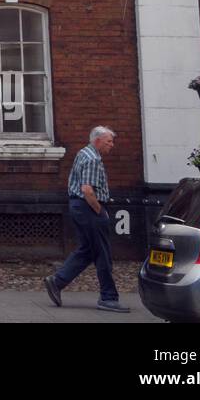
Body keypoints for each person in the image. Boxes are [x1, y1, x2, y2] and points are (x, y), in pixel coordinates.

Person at [44, 126, 129, 313]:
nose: (111, 145)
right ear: (98, 141)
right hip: (88, 208)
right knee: (103, 253)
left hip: (79, 207)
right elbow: (87, 190)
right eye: (109, 141)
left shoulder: (83, 153)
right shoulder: (93, 159)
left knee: (88, 250)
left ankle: (57, 282)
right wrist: (100, 212)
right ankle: (108, 297)